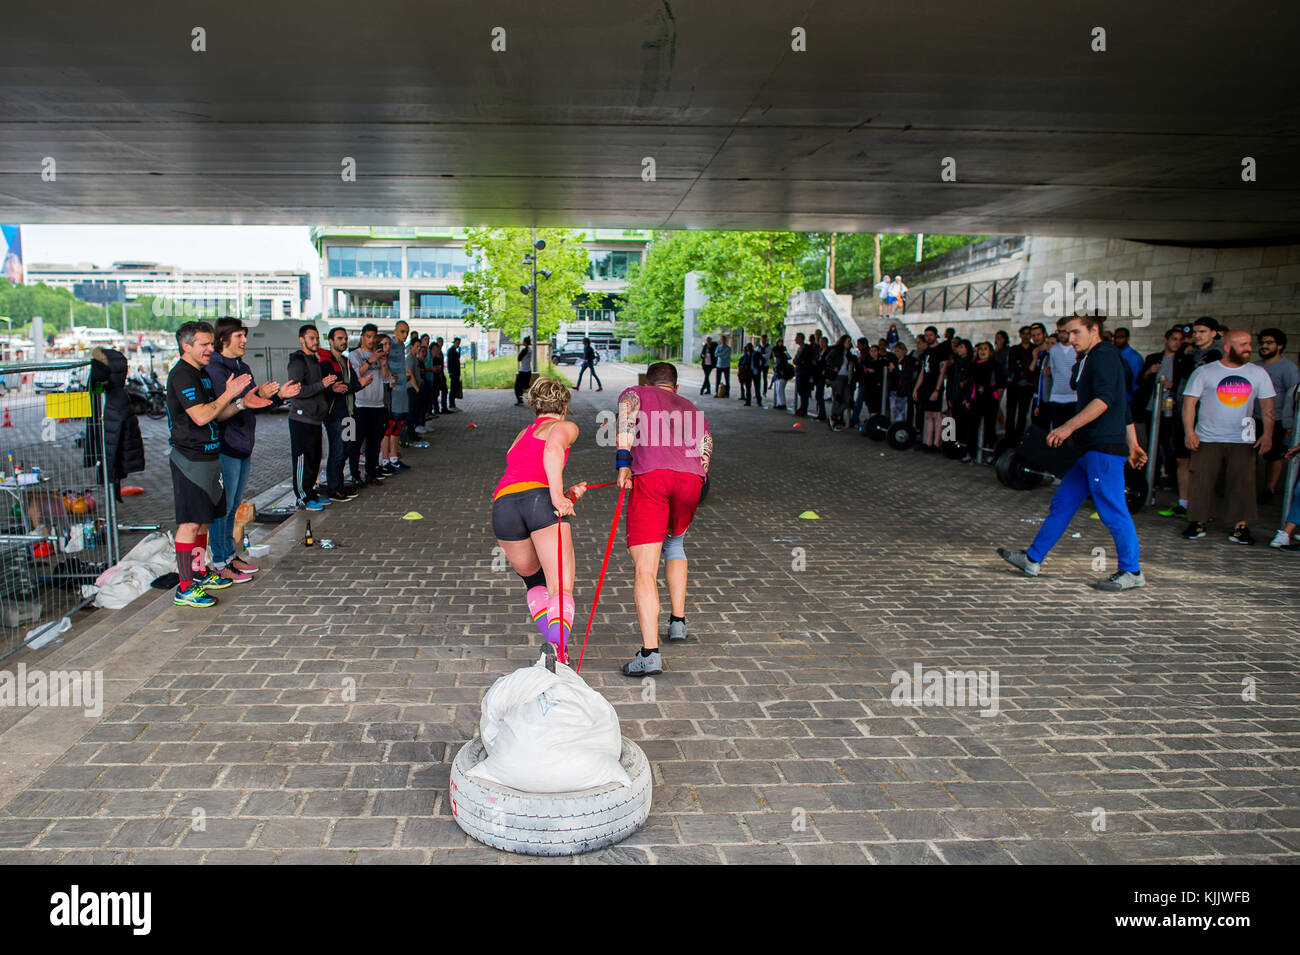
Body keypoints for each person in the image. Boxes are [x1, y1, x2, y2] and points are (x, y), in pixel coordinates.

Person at [998, 314, 1148, 591]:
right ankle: (1032, 558)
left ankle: (1132, 571)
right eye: (1067, 333)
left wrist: (1067, 427)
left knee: (1113, 510)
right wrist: (1134, 444)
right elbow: (1122, 407)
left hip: (1103, 449)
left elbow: (1105, 401)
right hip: (1089, 449)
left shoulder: (1104, 355)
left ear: (1095, 330)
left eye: (1077, 332)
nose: (1071, 339)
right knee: (1063, 502)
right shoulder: (1091, 358)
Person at [616, 362, 713, 677]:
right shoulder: (692, 408)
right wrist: (695, 482)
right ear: (676, 387)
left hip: (653, 479)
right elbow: (705, 450)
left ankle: (650, 654)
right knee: (676, 541)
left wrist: (622, 465)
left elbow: (626, 423)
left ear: (648, 381)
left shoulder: (635, 393)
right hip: (691, 481)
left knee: (645, 568)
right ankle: (678, 622)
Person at [491, 378, 588, 664]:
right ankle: (559, 653)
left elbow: (521, 471)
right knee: (560, 588)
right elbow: (552, 450)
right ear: (565, 406)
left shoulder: (523, 433)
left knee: (535, 582)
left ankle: (555, 646)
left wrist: (566, 493)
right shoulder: (565, 426)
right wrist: (558, 497)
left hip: (504, 506)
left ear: (535, 406)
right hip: (540, 502)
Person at [206, 317, 299, 579]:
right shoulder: (215, 369)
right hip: (225, 446)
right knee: (222, 507)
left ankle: (230, 556)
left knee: (233, 505)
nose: (245, 340)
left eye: (244, 335)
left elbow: (254, 403)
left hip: (243, 444)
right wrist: (244, 402)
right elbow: (219, 411)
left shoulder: (242, 366)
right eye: (239, 336)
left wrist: (278, 396)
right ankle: (221, 562)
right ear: (223, 340)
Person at [166, 321, 250, 608]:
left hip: (210, 456)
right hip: (190, 459)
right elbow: (201, 416)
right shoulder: (182, 376)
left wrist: (242, 403)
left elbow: (216, 413)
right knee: (190, 522)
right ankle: (185, 586)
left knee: (203, 520)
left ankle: (200, 574)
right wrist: (228, 394)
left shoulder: (200, 374)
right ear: (185, 346)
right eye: (203, 344)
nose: (209, 349)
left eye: (211, 343)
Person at [1180, 330, 1275, 545]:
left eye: (1249, 344)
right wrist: (1189, 432)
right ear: (1227, 347)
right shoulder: (1204, 372)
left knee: (1242, 482)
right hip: (1207, 437)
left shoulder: (1258, 373)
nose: (1248, 348)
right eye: (1242, 344)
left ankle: (1240, 526)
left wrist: (1267, 434)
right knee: (1202, 480)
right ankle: (1198, 521)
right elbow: (1189, 404)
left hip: (1243, 437)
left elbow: (1267, 406)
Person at [1161, 317, 1225, 518]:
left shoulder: (1217, 354)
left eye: (1202, 332)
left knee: (1204, 462)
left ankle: (1204, 506)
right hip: (1183, 411)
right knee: (1182, 459)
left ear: (1214, 333)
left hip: (1206, 415)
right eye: (1195, 332)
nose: (1197, 335)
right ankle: (1184, 502)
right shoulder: (1187, 354)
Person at [287, 324, 338, 510]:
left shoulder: (314, 360)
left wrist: (329, 387)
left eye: (317, 338)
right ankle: (302, 497)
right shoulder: (298, 361)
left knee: (315, 458)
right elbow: (296, 390)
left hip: (315, 418)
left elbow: (318, 387)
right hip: (301, 419)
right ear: (302, 340)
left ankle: (311, 492)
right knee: (303, 459)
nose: (315, 341)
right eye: (311, 338)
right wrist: (322, 385)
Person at [321, 326, 370, 501]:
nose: (343, 342)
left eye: (345, 339)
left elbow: (351, 385)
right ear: (331, 341)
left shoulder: (346, 361)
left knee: (347, 450)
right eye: (340, 339)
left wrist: (358, 384)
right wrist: (355, 385)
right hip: (335, 414)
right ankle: (334, 489)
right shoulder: (326, 363)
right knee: (338, 451)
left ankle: (340, 485)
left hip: (350, 412)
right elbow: (334, 389)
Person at [1253, 328, 1298, 506]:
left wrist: (1289, 422)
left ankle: (1269, 489)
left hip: (1277, 419)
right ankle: (1250, 487)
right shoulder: (1254, 366)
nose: (1264, 346)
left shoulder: (1288, 368)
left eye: (1269, 343)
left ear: (1279, 346)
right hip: (1253, 418)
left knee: (1273, 456)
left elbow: (1292, 395)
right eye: (1262, 343)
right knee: (1251, 455)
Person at [350, 323, 392, 486]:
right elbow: (355, 374)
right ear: (362, 337)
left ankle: (371, 472)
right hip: (360, 406)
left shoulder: (380, 355)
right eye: (368, 336)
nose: (371, 340)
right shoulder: (355, 355)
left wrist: (382, 364)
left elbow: (387, 379)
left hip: (378, 405)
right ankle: (354, 474)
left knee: (375, 442)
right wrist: (371, 359)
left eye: (374, 337)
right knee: (356, 442)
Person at [913, 326, 950, 451]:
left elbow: (942, 371)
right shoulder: (926, 352)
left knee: (936, 415)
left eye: (930, 335)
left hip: (935, 385)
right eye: (926, 335)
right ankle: (928, 442)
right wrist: (916, 388)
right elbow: (923, 371)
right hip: (926, 386)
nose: (928, 337)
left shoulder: (942, 350)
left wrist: (937, 390)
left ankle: (936, 443)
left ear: (935, 335)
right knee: (928, 414)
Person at [1045, 318, 1078, 427]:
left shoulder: (1077, 348)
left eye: (1064, 331)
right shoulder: (1054, 349)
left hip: (1074, 397)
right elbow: (1054, 370)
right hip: (1056, 396)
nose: (1061, 335)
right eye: (1059, 331)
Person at [825, 334, 856, 431]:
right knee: (838, 399)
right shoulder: (836, 351)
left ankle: (834, 415)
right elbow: (828, 360)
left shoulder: (847, 353)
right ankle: (834, 419)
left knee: (847, 399)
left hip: (845, 377)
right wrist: (834, 368)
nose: (849, 343)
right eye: (848, 341)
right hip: (837, 377)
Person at [793, 332, 814, 416]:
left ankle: (803, 408)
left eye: (797, 337)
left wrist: (801, 362)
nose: (795, 339)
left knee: (804, 391)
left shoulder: (807, 349)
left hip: (804, 373)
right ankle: (802, 407)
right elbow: (795, 360)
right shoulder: (800, 349)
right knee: (800, 391)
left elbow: (803, 361)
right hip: (799, 372)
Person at [771, 340, 793, 410]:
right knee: (778, 389)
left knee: (780, 389)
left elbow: (789, 357)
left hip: (782, 375)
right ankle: (780, 403)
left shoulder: (782, 356)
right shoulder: (779, 357)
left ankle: (782, 404)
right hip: (779, 375)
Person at [514, 336, 533, 406]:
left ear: (525, 342)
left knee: (517, 386)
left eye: (523, 342)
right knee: (525, 386)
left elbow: (519, 359)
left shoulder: (524, 350)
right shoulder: (530, 350)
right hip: (528, 371)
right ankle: (535, 395)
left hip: (522, 371)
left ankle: (520, 401)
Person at [447, 336, 463, 410]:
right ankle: (451, 403)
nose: (458, 344)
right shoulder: (451, 351)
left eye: (459, 343)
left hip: (456, 372)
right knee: (453, 388)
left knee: (455, 387)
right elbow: (450, 362)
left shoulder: (455, 351)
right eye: (457, 343)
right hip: (453, 372)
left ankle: (453, 403)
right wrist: (450, 372)